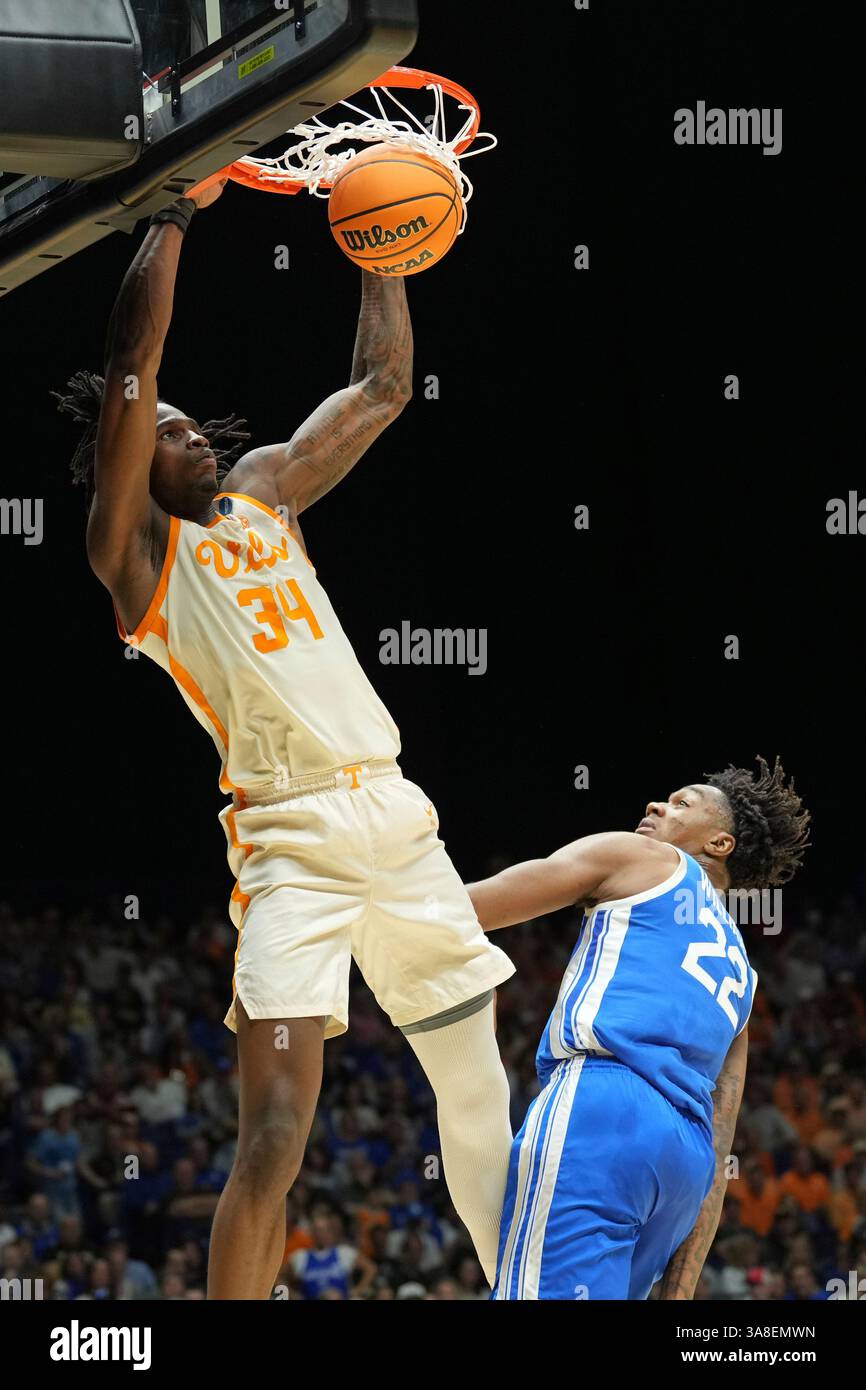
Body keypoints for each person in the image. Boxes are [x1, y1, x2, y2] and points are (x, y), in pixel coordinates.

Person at [53, 178, 514, 1297]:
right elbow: (131, 361)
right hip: (290, 842)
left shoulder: (264, 493)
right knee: (274, 1135)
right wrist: (171, 214)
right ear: (129, 465)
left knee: (477, 1093)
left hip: (398, 821)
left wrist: (384, 237)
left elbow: (383, 386)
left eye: (188, 422)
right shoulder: (136, 559)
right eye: (164, 432)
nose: (188, 432)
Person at [467, 757, 810, 1300]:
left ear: (720, 844)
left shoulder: (646, 858)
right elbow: (721, 1144)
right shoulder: (743, 975)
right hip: (684, 1167)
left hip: (606, 1110)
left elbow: (466, 911)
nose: (655, 806)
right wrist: (679, 1288)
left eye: (682, 803)